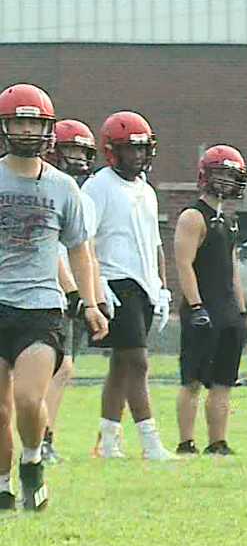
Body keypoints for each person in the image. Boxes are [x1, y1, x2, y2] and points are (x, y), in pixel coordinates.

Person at [0, 83, 108, 511]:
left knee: (28, 398)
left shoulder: (64, 187)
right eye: (19, 121)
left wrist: (92, 302)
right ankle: (3, 485)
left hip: (41, 307)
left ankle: (32, 461)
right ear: (6, 127)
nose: (26, 130)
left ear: (47, 129)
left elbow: (81, 250)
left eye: (34, 122)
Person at [84, 110, 174, 461]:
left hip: (144, 285)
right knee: (137, 361)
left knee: (121, 364)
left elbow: (154, 244)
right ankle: (150, 441)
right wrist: (96, 285)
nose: (138, 156)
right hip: (115, 282)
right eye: (130, 149)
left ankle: (108, 440)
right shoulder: (98, 186)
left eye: (142, 148)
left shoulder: (147, 191)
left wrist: (162, 287)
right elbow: (85, 239)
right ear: (112, 151)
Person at [173, 145, 247, 456]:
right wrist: (195, 306)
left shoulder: (230, 221)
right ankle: (185, 442)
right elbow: (184, 264)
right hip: (202, 310)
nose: (226, 182)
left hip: (227, 311)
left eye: (232, 176)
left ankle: (218, 442)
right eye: (220, 175)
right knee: (192, 380)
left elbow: (232, 268)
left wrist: (242, 312)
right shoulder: (193, 216)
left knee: (223, 383)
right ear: (206, 176)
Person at [42, 119, 105, 463]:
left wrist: (95, 297)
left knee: (64, 367)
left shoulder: (82, 198)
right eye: (71, 150)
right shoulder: (50, 188)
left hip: (73, 292)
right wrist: (74, 293)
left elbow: (87, 252)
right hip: (47, 289)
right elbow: (51, 248)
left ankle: (44, 436)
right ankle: (42, 437)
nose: (79, 158)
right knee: (60, 366)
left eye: (83, 151)